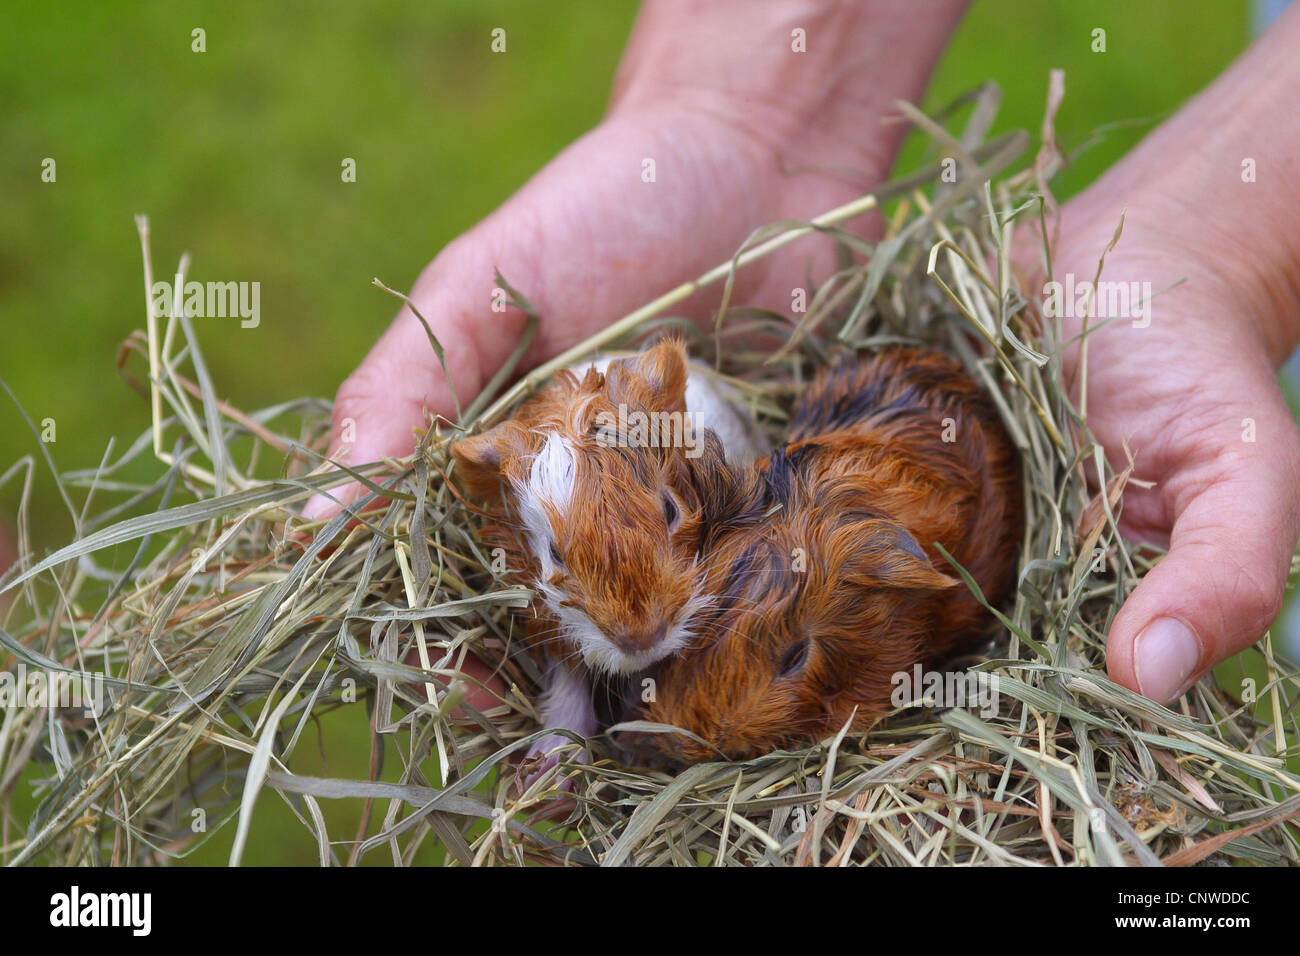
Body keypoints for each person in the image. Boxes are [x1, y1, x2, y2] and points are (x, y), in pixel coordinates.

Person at [303, 1, 1300, 708]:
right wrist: (742, 120)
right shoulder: (724, 512)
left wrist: (1230, 241)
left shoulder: (867, 593)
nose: (649, 631)